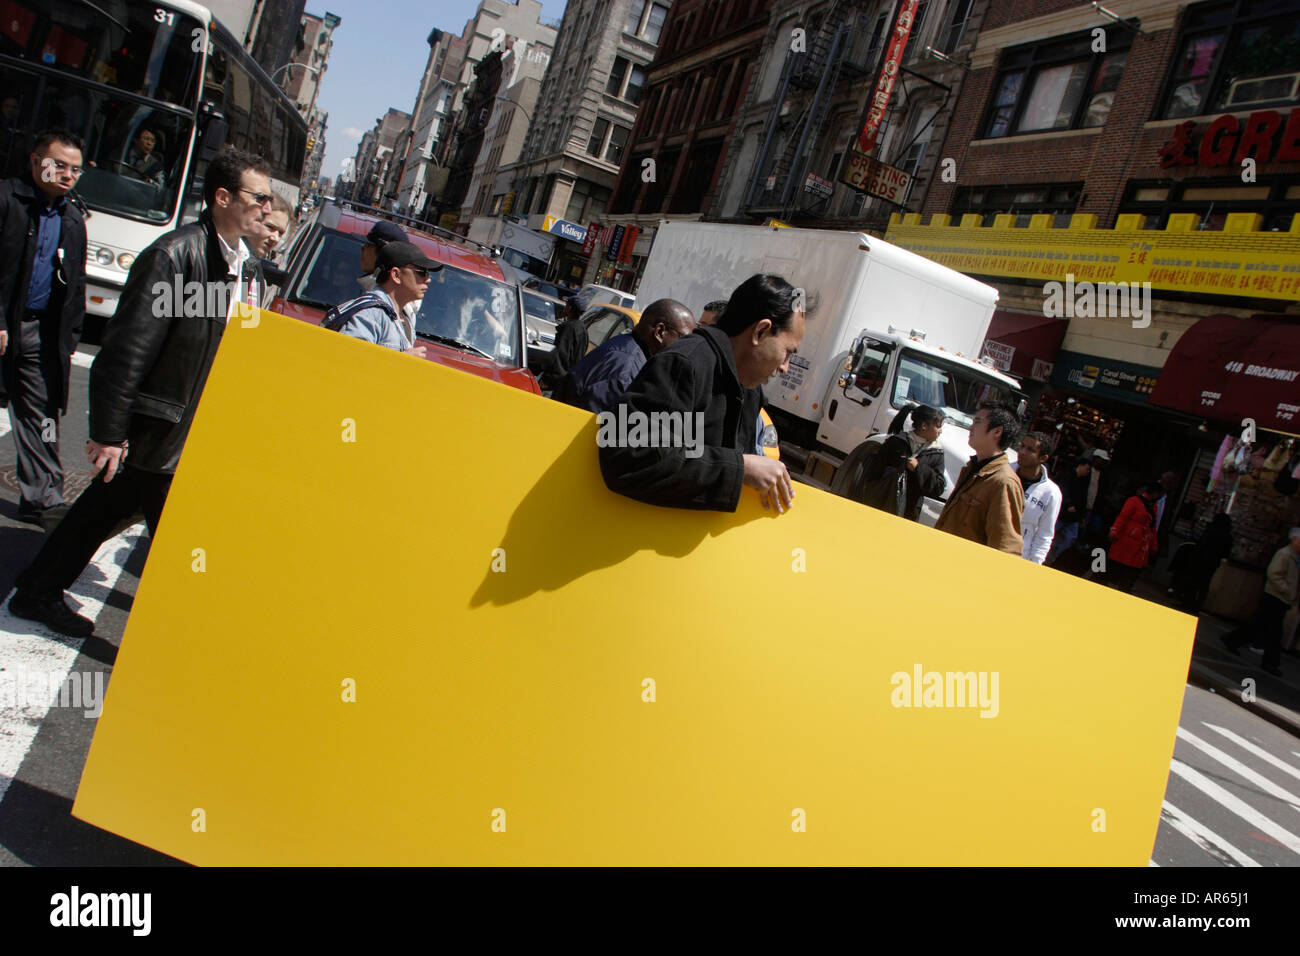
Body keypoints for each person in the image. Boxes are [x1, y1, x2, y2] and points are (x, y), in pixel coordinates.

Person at [8, 146, 271, 637]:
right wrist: (109, 433)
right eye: (258, 197)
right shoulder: (176, 255)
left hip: (189, 423)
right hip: (161, 424)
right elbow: (129, 348)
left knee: (101, 509)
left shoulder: (237, 264)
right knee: (183, 538)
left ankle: (38, 591)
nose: (266, 207)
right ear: (221, 197)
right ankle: (183, 638)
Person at [599, 273, 804, 513]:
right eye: (787, 352)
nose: (784, 367)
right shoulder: (685, 364)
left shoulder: (749, 389)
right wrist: (740, 469)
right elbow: (628, 457)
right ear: (760, 331)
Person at [0, 129, 88, 528]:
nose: (68, 174)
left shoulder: (72, 218)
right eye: (59, 165)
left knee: (41, 413)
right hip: (4, 322)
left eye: (76, 169)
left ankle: (43, 498)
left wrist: (68, 340)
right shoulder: (6, 199)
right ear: (36, 161)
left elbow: (76, 284)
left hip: (39, 332)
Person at [554, 298, 695, 413]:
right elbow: (595, 429)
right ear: (659, 332)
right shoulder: (625, 369)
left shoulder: (629, 351)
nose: (686, 347)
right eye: (683, 338)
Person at [934, 402, 1024, 555]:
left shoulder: (1004, 482)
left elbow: (1006, 548)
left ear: (997, 432)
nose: (971, 427)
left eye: (977, 422)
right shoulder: (973, 468)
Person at [322, 241, 435, 355]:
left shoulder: (404, 314)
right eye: (421, 272)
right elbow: (349, 359)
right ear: (396, 275)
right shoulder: (371, 314)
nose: (428, 279)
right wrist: (401, 360)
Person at [1220, 528, 1300, 677]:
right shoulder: (1285, 555)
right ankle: (1270, 662)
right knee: (1274, 632)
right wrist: (1288, 590)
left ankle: (1232, 640)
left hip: (1280, 598)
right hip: (1275, 596)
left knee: (1260, 625)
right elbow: (1273, 574)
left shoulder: (1294, 557)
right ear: (1294, 540)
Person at [859, 403, 945, 521]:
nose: (941, 431)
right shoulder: (895, 442)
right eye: (938, 426)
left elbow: (938, 488)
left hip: (908, 515)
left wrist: (918, 468)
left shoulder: (936, 453)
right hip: (880, 506)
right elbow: (873, 474)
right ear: (924, 425)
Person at [357, 219, 420, 329]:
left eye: (369, 245)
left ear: (383, 254)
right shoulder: (395, 296)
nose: (362, 248)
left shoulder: (381, 301)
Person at [1103, 481, 1161, 592]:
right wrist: (1114, 532)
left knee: (1130, 572)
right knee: (1115, 567)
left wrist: (1154, 545)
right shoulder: (1134, 501)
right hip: (1126, 541)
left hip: (1140, 544)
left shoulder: (1153, 507)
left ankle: (1123, 588)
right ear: (1153, 493)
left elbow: (1152, 527)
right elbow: (1122, 517)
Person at [1015, 431, 1062, 564]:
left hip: (1018, 557)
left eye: (1030, 450)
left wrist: (1035, 564)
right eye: (1022, 446)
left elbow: (1045, 534)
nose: (1022, 452)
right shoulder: (1004, 472)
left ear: (1043, 458)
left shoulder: (1051, 493)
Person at [1171, 512, 1232, 612]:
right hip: (1212, 563)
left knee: (1193, 582)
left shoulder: (1211, 530)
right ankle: (1197, 606)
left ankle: (1187, 602)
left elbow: (1201, 544)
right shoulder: (1227, 536)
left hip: (1200, 560)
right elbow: (1226, 553)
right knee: (1204, 585)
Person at [1048, 455, 1092, 565]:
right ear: (1080, 466)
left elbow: (1083, 499)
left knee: (1070, 540)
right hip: (1062, 513)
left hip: (1074, 517)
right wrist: (1068, 504)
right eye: (1087, 468)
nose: (1088, 471)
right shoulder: (1067, 476)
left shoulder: (1084, 482)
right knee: (1048, 534)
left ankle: (1057, 560)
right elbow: (1062, 490)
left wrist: (1082, 517)